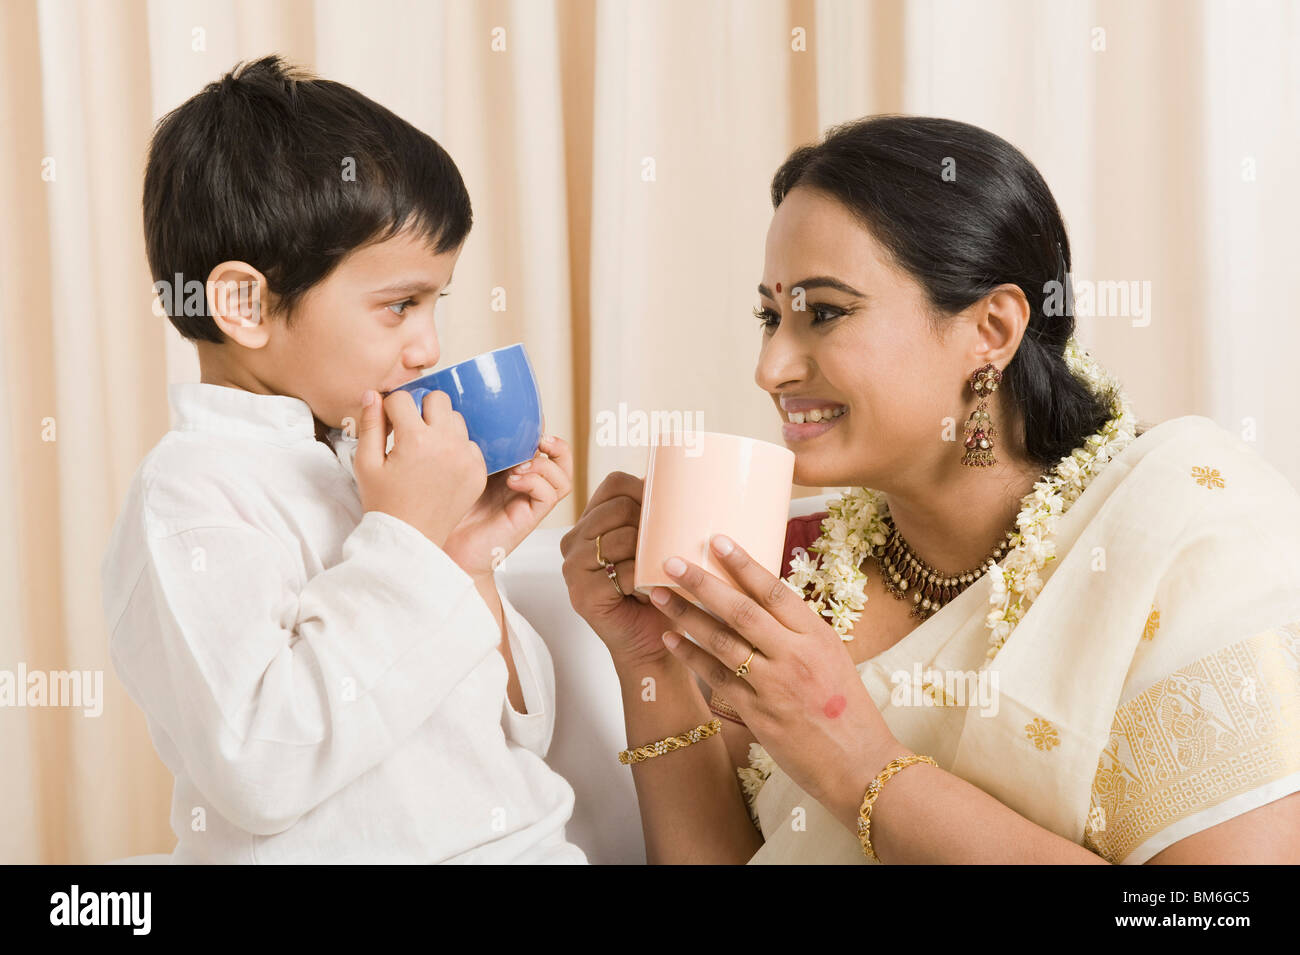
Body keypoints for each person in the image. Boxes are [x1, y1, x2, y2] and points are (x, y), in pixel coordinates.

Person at [561, 115, 1300, 864]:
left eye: (824, 312)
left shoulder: (1188, 533)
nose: (771, 366)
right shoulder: (799, 571)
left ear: (993, 327)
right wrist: (650, 663)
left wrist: (859, 765)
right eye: (770, 315)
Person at [102, 55, 587, 863]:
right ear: (246, 304)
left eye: (437, 302)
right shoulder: (190, 494)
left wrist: (462, 561)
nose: (428, 344)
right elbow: (261, 765)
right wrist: (403, 538)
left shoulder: (361, 462)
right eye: (400, 305)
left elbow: (520, 734)